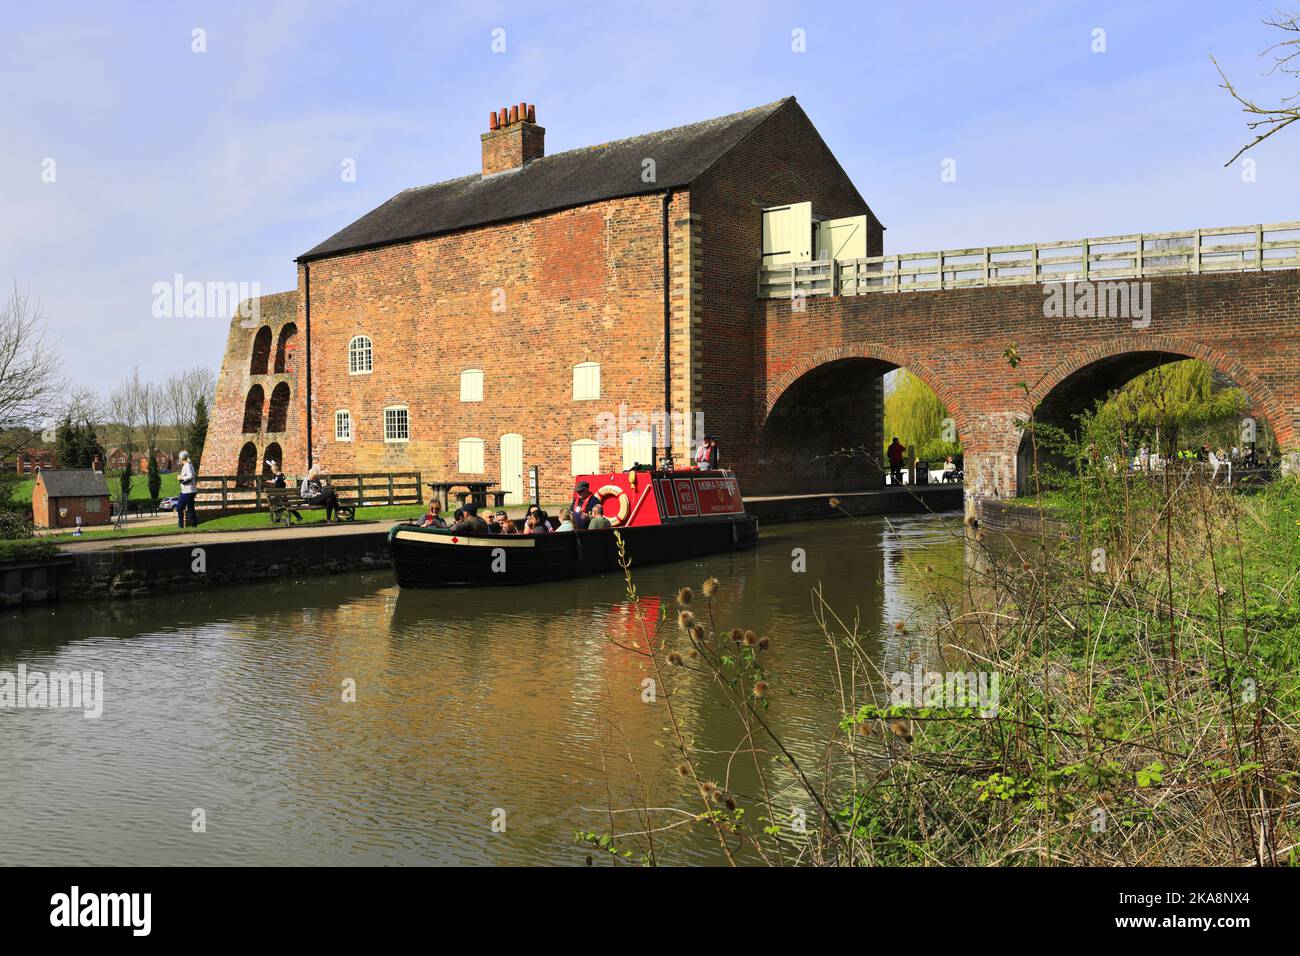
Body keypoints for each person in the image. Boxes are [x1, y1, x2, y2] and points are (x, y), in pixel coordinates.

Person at [176, 450, 198, 528]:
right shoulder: (187, 465)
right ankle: (180, 526)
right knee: (179, 507)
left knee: (190, 509)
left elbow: (191, 475)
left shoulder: (188, 465)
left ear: (181, 459)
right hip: (184, 491)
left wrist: (181, 478)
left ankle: (194, 525)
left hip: (189, 491)